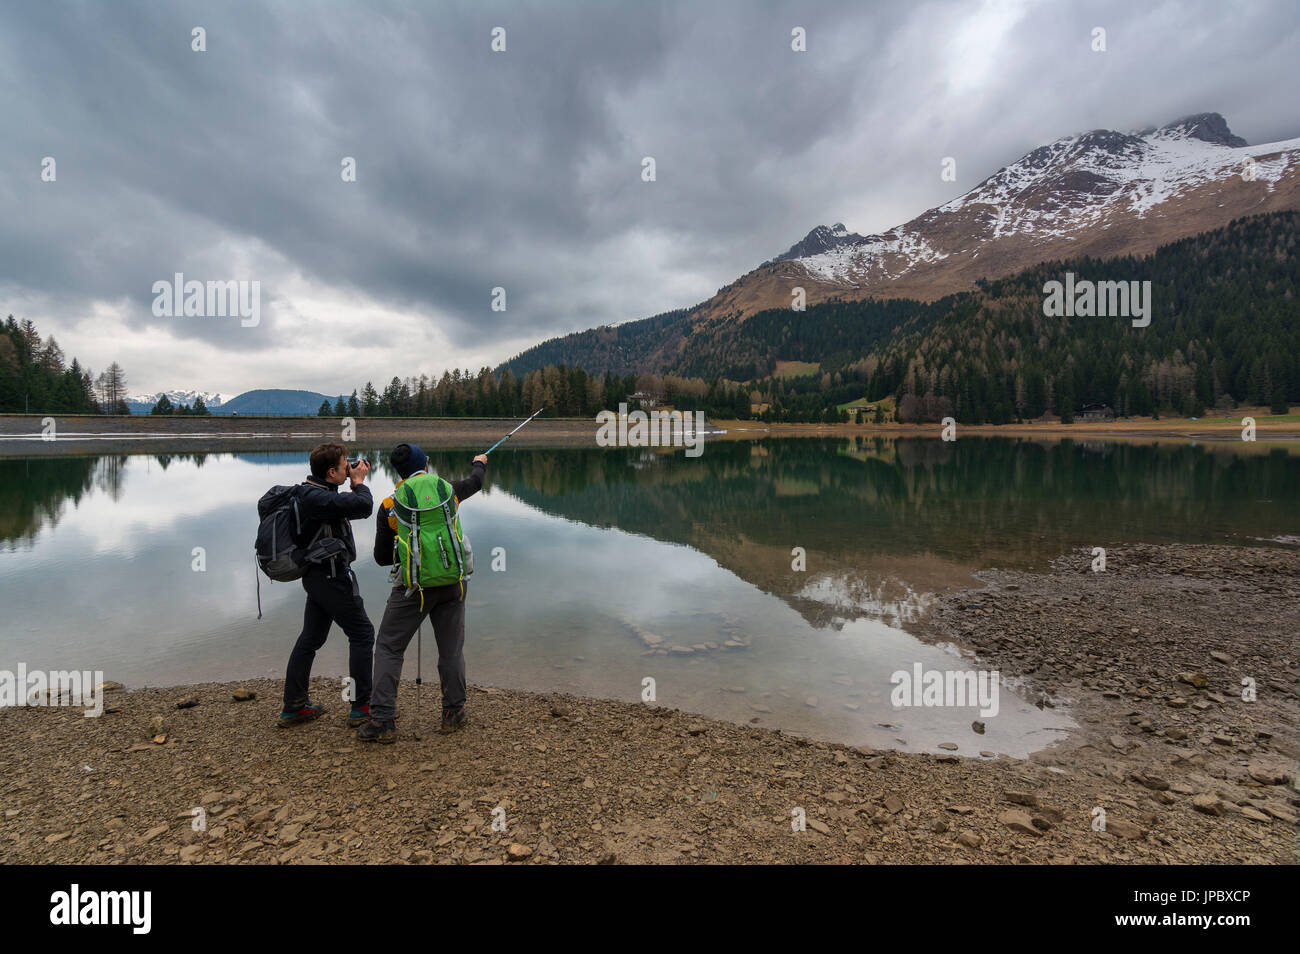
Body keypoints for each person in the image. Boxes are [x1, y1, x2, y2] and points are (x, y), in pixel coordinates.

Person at [358, 443, 486, 742]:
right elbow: (476, 482)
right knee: (451, 649)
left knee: (389, 648)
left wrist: (409, 553)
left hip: (412, 589)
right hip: (452, 582)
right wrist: (479, 462)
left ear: (397, 471)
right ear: (425, 465)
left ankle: (382, 721)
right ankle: (453, 713)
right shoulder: (448, 490)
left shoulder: (390, 505)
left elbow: (380, 558)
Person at [278, 442, 376, 728]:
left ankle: (294, 706)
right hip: (330, 577)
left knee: (311, 638)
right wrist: (358, 483)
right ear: (331, 471)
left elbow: (345, 505)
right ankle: (361, 706)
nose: (349, 468)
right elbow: (364, 505)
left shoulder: (318, 493)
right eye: (345, 465)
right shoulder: (315, 498)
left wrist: (351, 480)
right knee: (362, 633)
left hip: (320, 577)